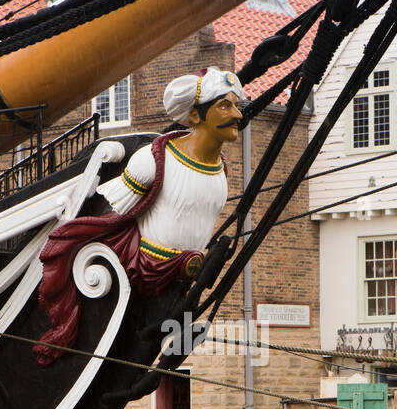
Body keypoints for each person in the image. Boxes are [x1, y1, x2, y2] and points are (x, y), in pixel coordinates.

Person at [33, 67, 245, 365]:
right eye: (225, 106)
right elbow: (108, 213)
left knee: (146, 357)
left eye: (236, 106)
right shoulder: (153, 161)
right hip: (141, 275)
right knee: (133, 355)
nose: (237, 114)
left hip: (185, 279)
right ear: (196, 116)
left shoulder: (220, 169)